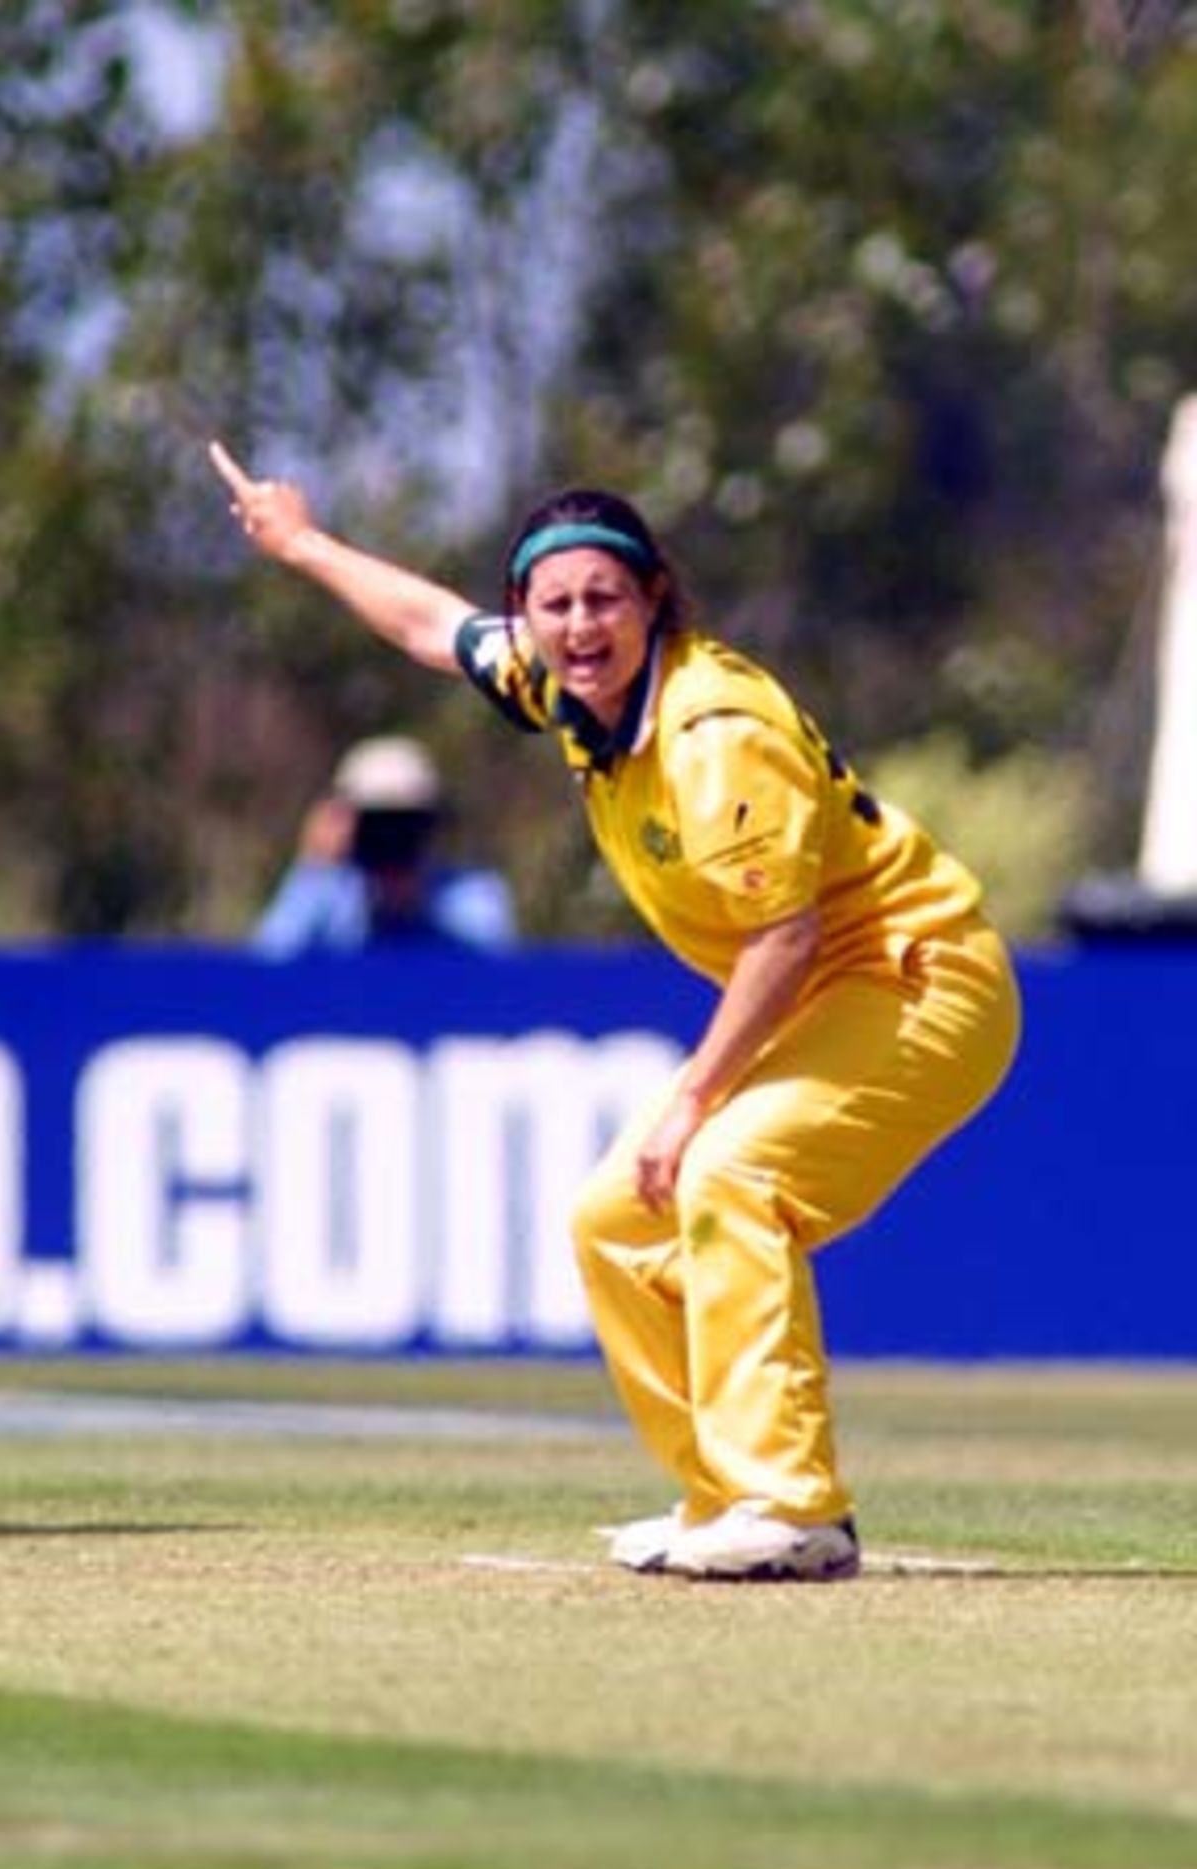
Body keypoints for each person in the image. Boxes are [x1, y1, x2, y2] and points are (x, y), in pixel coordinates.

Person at [210, 439, 1021, 1583]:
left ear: (653, 600)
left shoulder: (712, 731)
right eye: (556, 605)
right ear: (528, 616)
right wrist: (300, 544)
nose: (580, 625)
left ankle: (793, 1504)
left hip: (924, 976)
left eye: (605, 599)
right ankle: (726, 1496)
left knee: (729, 1171)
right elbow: (425, 626)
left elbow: (784, 936)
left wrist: (694, 1097)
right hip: (837, 984)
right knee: (612, 1216)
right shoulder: (556, 679)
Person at [252, 732, 518, 957]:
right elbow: (267, 974)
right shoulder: (329, 898)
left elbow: (492, 976)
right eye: (375, 822)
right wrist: (314, 867)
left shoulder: (472, 896)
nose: (391, 835)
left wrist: (414, 902)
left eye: (407, 823)